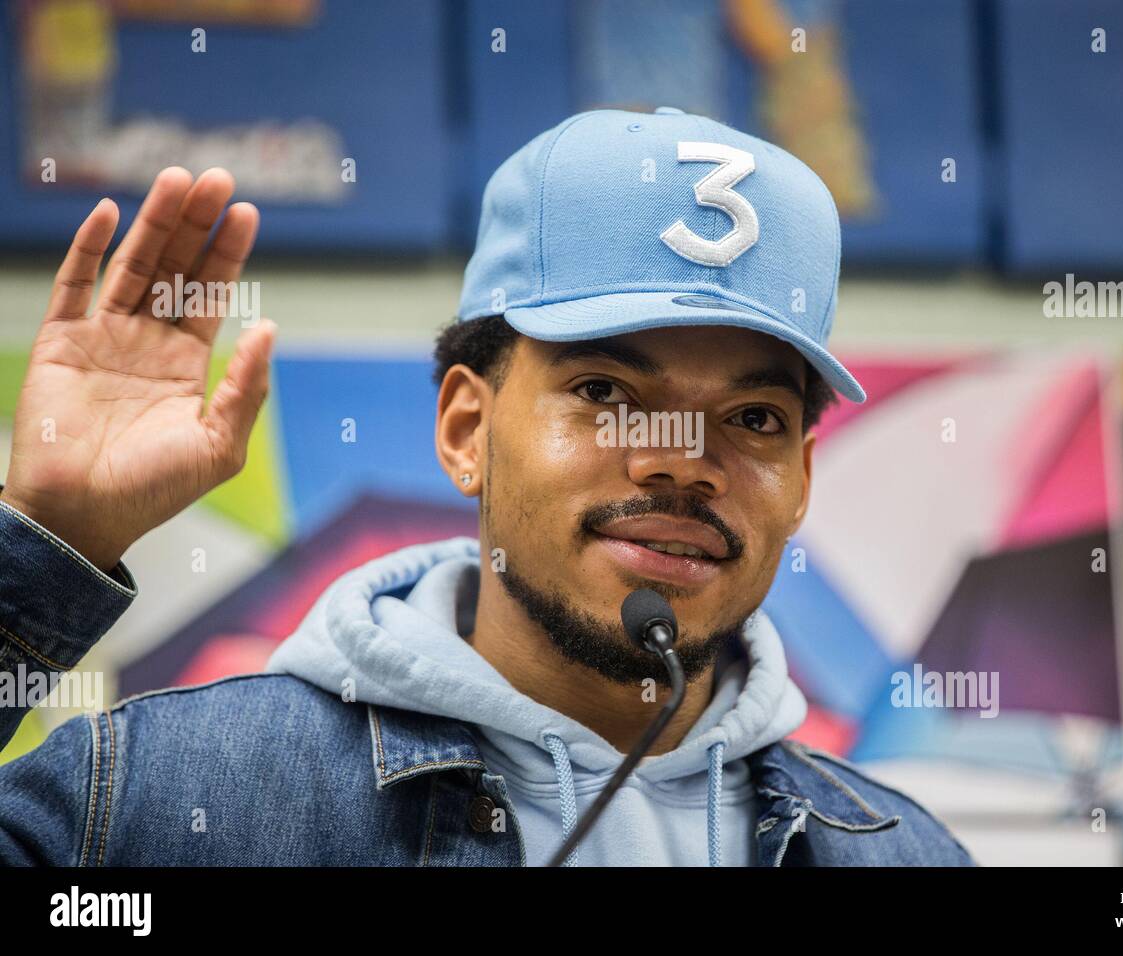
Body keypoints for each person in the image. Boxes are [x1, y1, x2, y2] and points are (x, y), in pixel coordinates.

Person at [0, 108, 973, 867]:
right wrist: (46, 544)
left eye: (753, 417)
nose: (681, 457)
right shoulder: (163, 800)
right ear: (467, 429)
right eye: (604, 391)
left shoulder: (899, 852)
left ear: (801, 477)